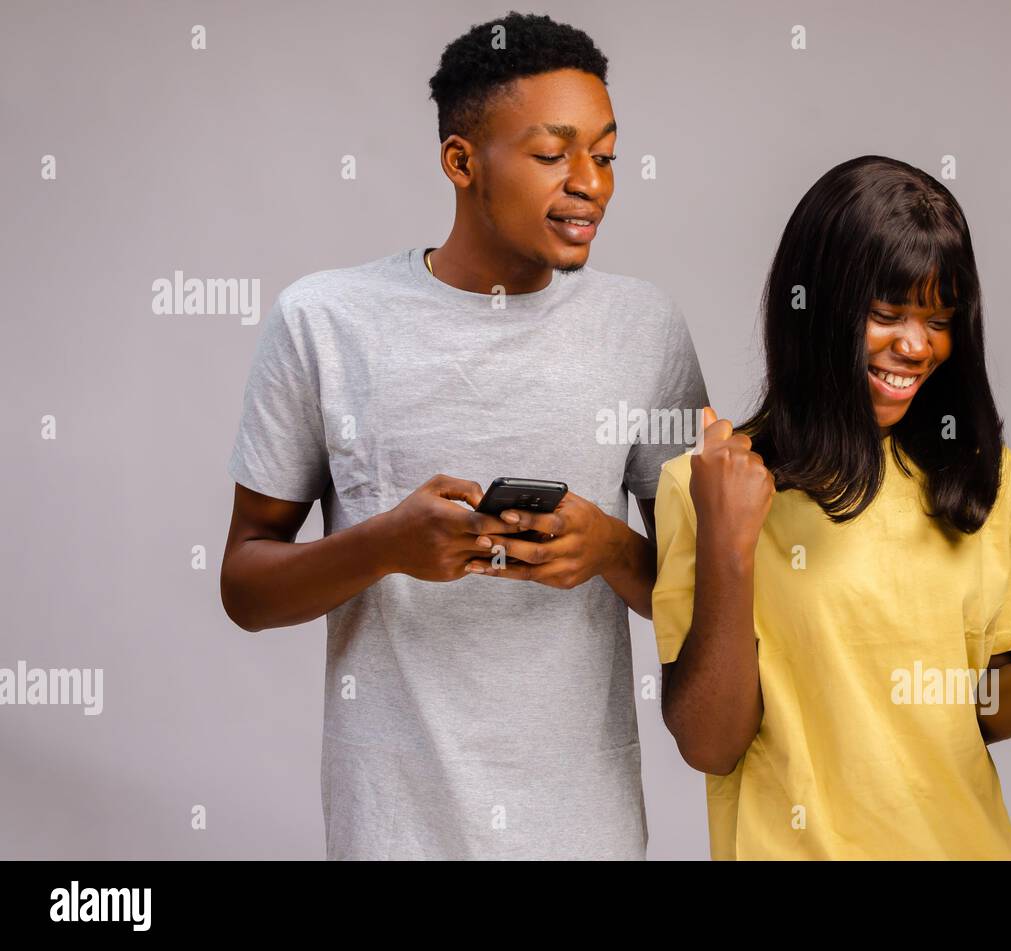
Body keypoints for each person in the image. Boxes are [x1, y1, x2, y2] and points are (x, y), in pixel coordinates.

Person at [221, 12, 707, 860]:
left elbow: (706, 592)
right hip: (392, 832)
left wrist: (608, 548)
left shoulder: (645, 328)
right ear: (460, 160)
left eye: (606, 155)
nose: (590, 183)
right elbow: (245, 586)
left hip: (584, 832)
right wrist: (384, 545)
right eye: (553, 154)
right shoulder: (325, 320)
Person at [650, 155, 1011, 860]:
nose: (916, 346)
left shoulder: (989, 479)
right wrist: (730, 545)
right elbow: (709, 743)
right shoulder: (707, 485)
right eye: (886, 315)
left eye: (938, 319)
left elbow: (980, 715)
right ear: (814, 309)